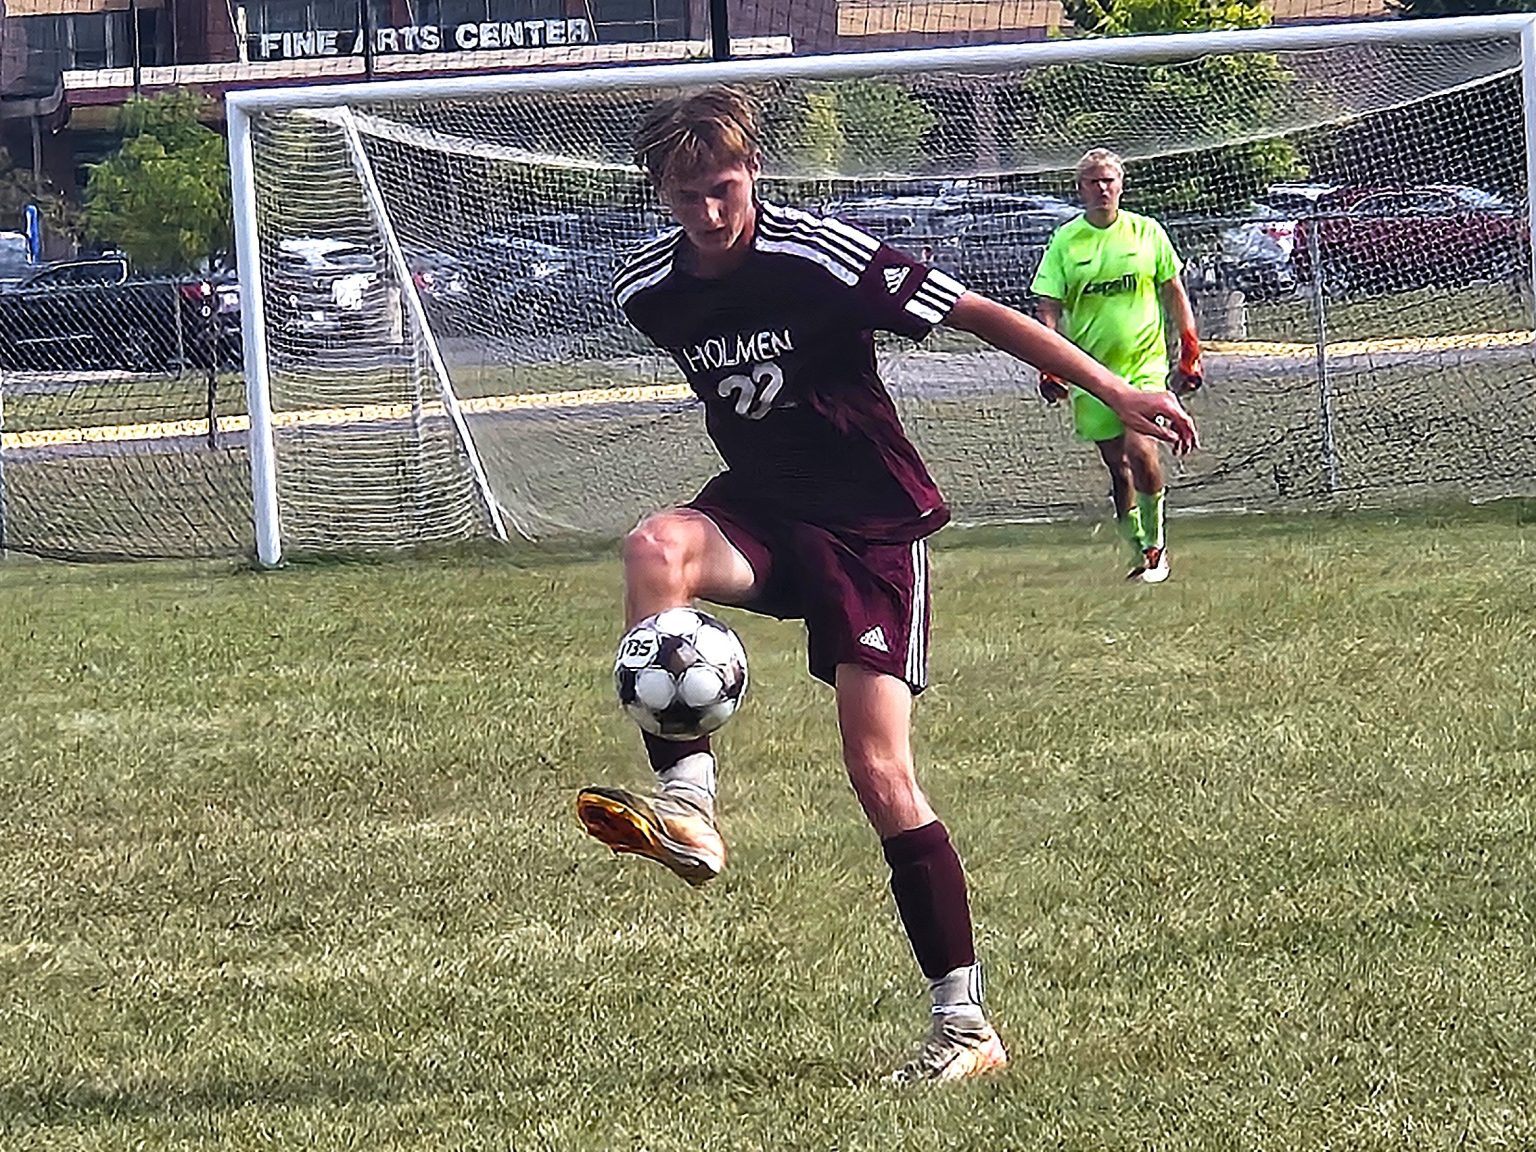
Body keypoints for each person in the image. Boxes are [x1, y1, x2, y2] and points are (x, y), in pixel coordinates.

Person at [574, 87, 1197, 1085]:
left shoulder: (819, 254)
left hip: (871, 529)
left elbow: (978, 312)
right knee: (656, 548)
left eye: (724, 189)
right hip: (765, 515)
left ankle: (965, 1026)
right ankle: (686, 800)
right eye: (686, 197)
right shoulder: (649, 291)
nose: (708, 214)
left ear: (754, 176)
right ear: (663, 192)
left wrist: (1117, 388)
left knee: (879, 775)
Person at [1031, 148, 1204, 584]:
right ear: (1080, 189)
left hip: (1144, 367)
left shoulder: (1147, 233)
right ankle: (1137, 542)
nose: (1102, 188)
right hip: (1091, 372)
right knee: (1118, 466)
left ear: (1121, 185)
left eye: (1108, 180)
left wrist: (1189, 351)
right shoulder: (1066, 243)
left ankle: (1156, 547)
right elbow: (1047, 307)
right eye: (1093, 181)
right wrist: (1049, 366)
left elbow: (1175, 292)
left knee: (1141, 449)